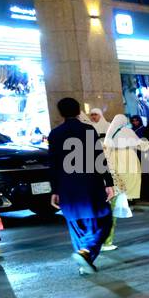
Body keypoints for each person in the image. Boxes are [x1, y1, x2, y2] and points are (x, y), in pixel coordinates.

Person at [49, 96, 115, 274]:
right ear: (79, 111)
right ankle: (86, 253)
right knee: (104, 219)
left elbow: (53, 164)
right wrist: (108, 182)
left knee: (76, 225)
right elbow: (98, 157)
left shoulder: (54, 134)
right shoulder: (87, 129)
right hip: (89, 183)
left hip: (66, 186)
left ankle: (83, 262)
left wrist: (54, 189)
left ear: (61, 113)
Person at [102, 114, 145, 250]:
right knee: (114, 204)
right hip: (127, 166)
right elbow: (142, 146)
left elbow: (105, 150)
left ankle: (105, 240)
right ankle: (106, 241)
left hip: (113, 169)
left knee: (111, 203)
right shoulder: (127, 131)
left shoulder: (110, 133)